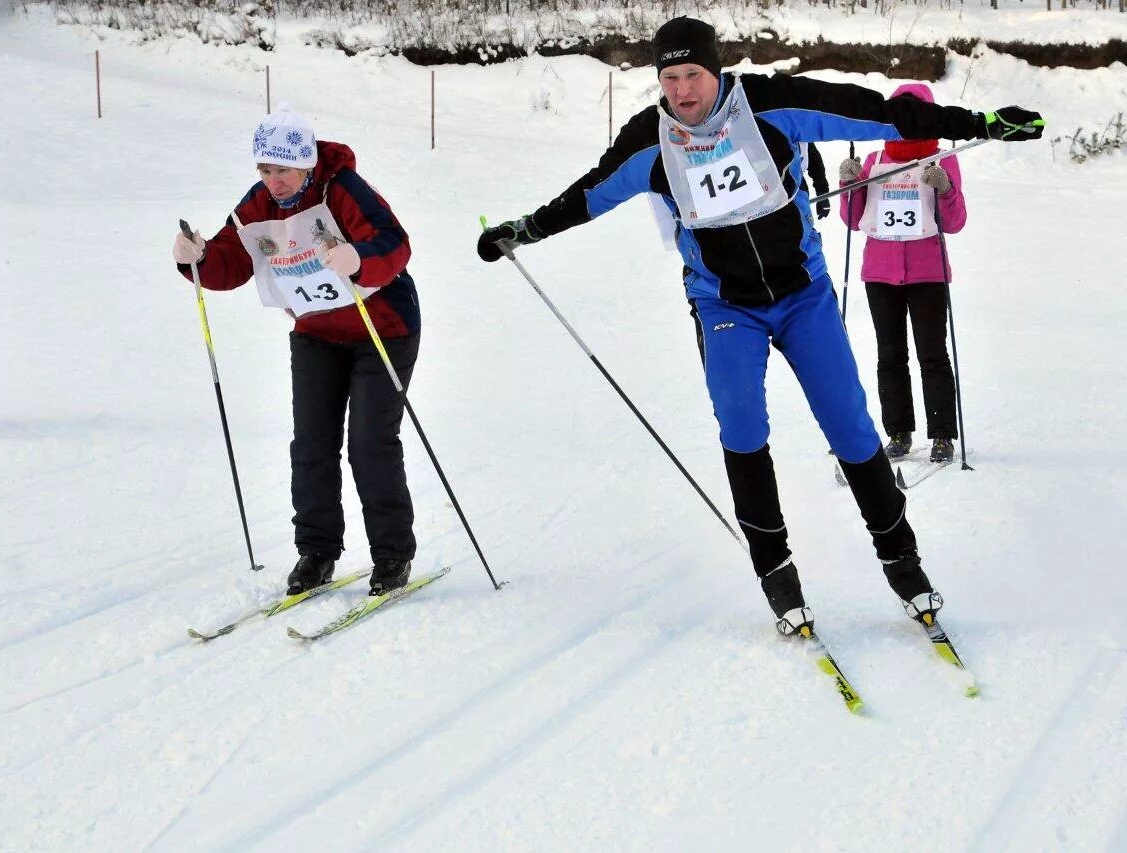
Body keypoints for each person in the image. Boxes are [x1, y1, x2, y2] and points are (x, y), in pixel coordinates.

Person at [475, 16, 1043, 635]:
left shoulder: (770, 103)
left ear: (716, 70)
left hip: (803, 297)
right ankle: (777, 572)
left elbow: (880, 114)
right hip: (724, 306)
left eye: (694, 74)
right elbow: (592, 193)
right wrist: (525, 229)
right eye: (670, 78)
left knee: (850, 425)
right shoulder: (651, 139)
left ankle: (903, 562)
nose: (684, 91)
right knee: (741, 424)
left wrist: (981, 125)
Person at [173, 103, 421, 597]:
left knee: (370, 445)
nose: (274, 181)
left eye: (283, 169)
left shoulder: (343, 188)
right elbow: (231, 262)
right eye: (265, 170)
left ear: (306, 163)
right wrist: (197, 258)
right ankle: (317, 552)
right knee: (310, 446)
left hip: (382, 327)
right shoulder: (258, 204)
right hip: (316, 333)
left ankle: (392, 555)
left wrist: (360, 258)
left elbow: (394, 242)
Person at [840, 83, 966, 464]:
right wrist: (849, 183)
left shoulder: (942, 159)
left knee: (932, 355)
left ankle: (942, 434)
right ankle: (898, 432)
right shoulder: (875, 158)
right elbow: (853, 219)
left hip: (927, 274)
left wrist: (944, 189)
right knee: (890, 356)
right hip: (880, 274)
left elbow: (956, 221)